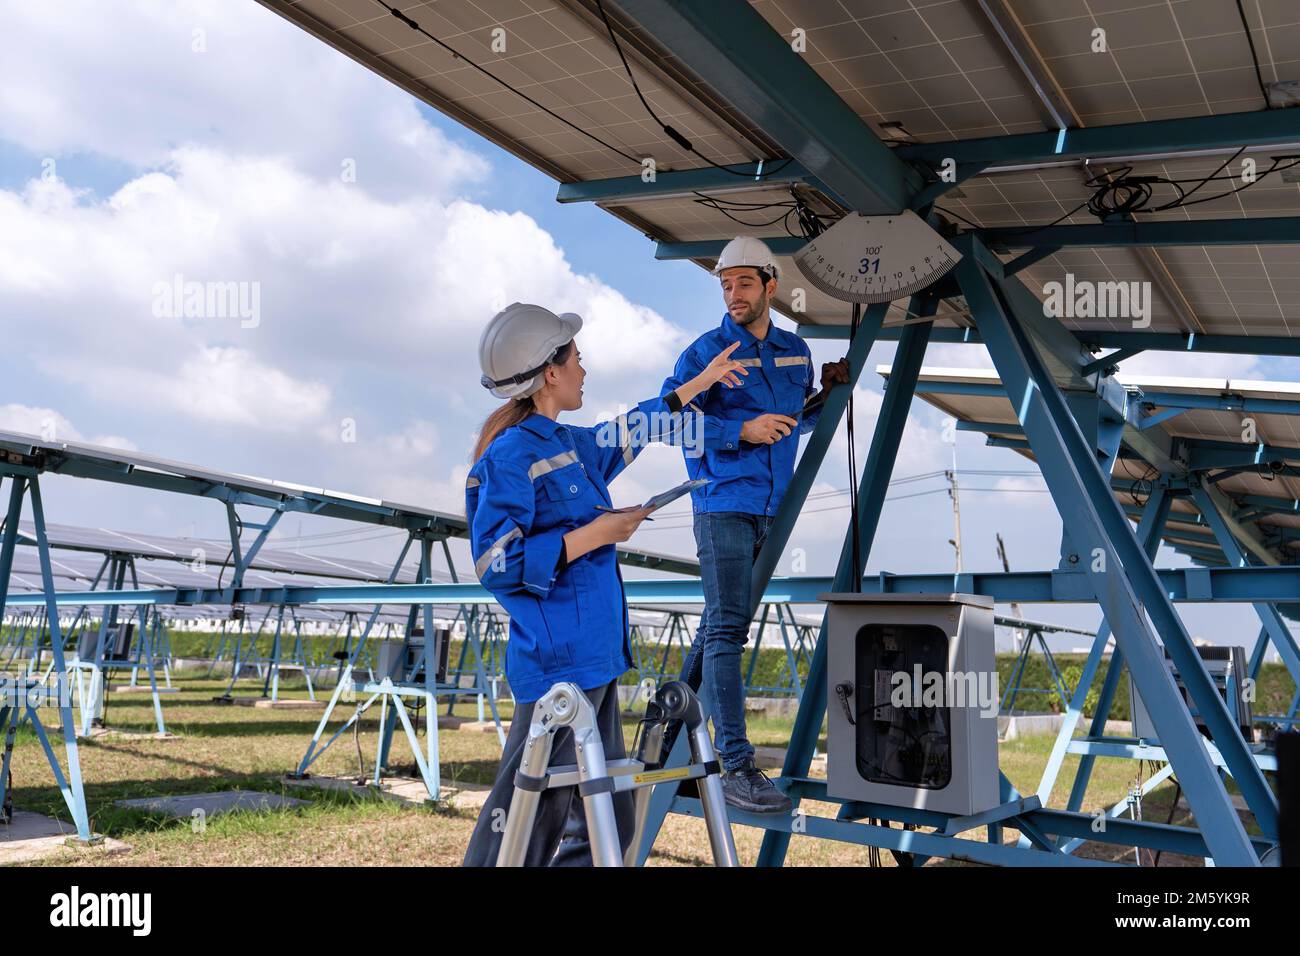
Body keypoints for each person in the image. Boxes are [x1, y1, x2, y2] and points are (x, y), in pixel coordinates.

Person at [461, 302, 745, 866]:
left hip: (595, 660)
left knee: (606, 817)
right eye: (578, 359)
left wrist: (699, 384)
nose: (584, 370)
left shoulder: (570, 446)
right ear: (550, 373)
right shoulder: (510, 456)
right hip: (557, 669)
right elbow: (496, 562)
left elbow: (636, 426)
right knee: (524, 816)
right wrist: (595, 533)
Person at [660, 237, 850, 813]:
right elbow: (670, 425)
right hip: (721, 504)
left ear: (771, 285)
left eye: (744, 283)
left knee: (716, 625)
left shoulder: (796, 353)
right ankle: (736, 767)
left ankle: (665, 743)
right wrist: (737, 433)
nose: (733, 294)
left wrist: (827, 396)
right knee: (727, 633)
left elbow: (792, 425)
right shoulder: (704, 353)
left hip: (774, 505)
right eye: (724, 284)